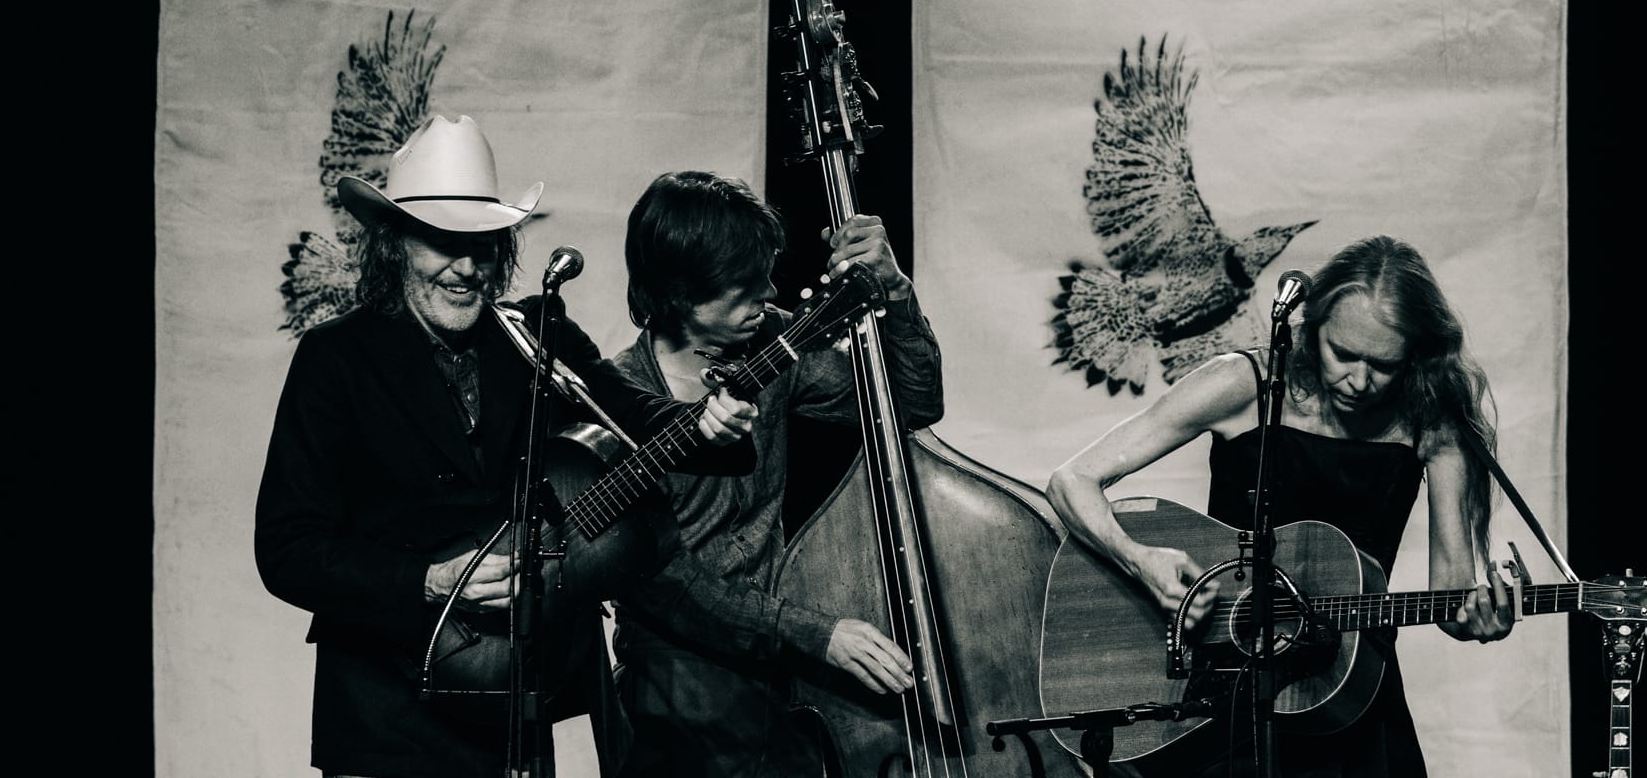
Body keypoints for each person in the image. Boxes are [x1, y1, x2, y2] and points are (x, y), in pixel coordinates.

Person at [254, 114, 756, 778]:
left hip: (528, 702)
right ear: (395, 241)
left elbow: (634, 415)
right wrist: (431, 584)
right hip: (387, 717)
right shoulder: (335, 358)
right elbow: (286, 549)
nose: (467, 267)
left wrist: (709, 425)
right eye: (441, 242)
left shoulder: (537, 335)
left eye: (484, 243)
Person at [1046, 235, 1522, 778]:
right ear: (1311, 327)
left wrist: (1480, 617)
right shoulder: (1243, 384)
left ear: (1417, 354)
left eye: (1383, 364)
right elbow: (1072, 480)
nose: (1359, 381)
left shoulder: (1431, 423)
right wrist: (1141, 561)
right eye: (1342, 353)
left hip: (1346, 696)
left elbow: (1451, 598)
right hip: (1217, 692)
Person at [598, 170, 945, 778]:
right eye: (741, 284)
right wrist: (816, 633)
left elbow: (912, 404)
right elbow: (665, 582)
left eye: (764, 273)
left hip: (783, 688)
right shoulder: (614, 397)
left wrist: (895, 292)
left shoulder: (770, 343)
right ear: (679, 291)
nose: (766, 292)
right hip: (675, 700)